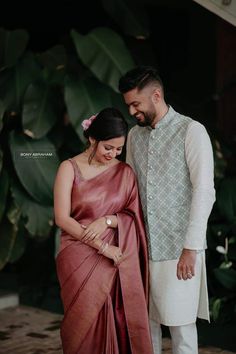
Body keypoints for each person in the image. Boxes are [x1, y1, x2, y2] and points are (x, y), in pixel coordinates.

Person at [119, 66, 216, 354]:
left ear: (156, 96)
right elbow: (131, 188)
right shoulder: (135, 137)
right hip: (144, 247)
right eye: (128, 106)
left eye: (136, 104)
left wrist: (191, 247)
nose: (132, 111)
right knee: (145, 325)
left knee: (181, 326)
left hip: (179, 249)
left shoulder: (191, 130)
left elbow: (204, 191)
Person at [54, 107, 153, 354]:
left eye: (119, 149)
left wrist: (108, 221)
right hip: (78, 255)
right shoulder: (69, 168)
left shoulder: (125, 173)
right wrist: (103, 247)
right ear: (92, 138)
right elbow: (62, 218)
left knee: (116, 318)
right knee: (82, 327)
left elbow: (134, 217)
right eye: (108, 147)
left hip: (118, 257)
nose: (113, 154)